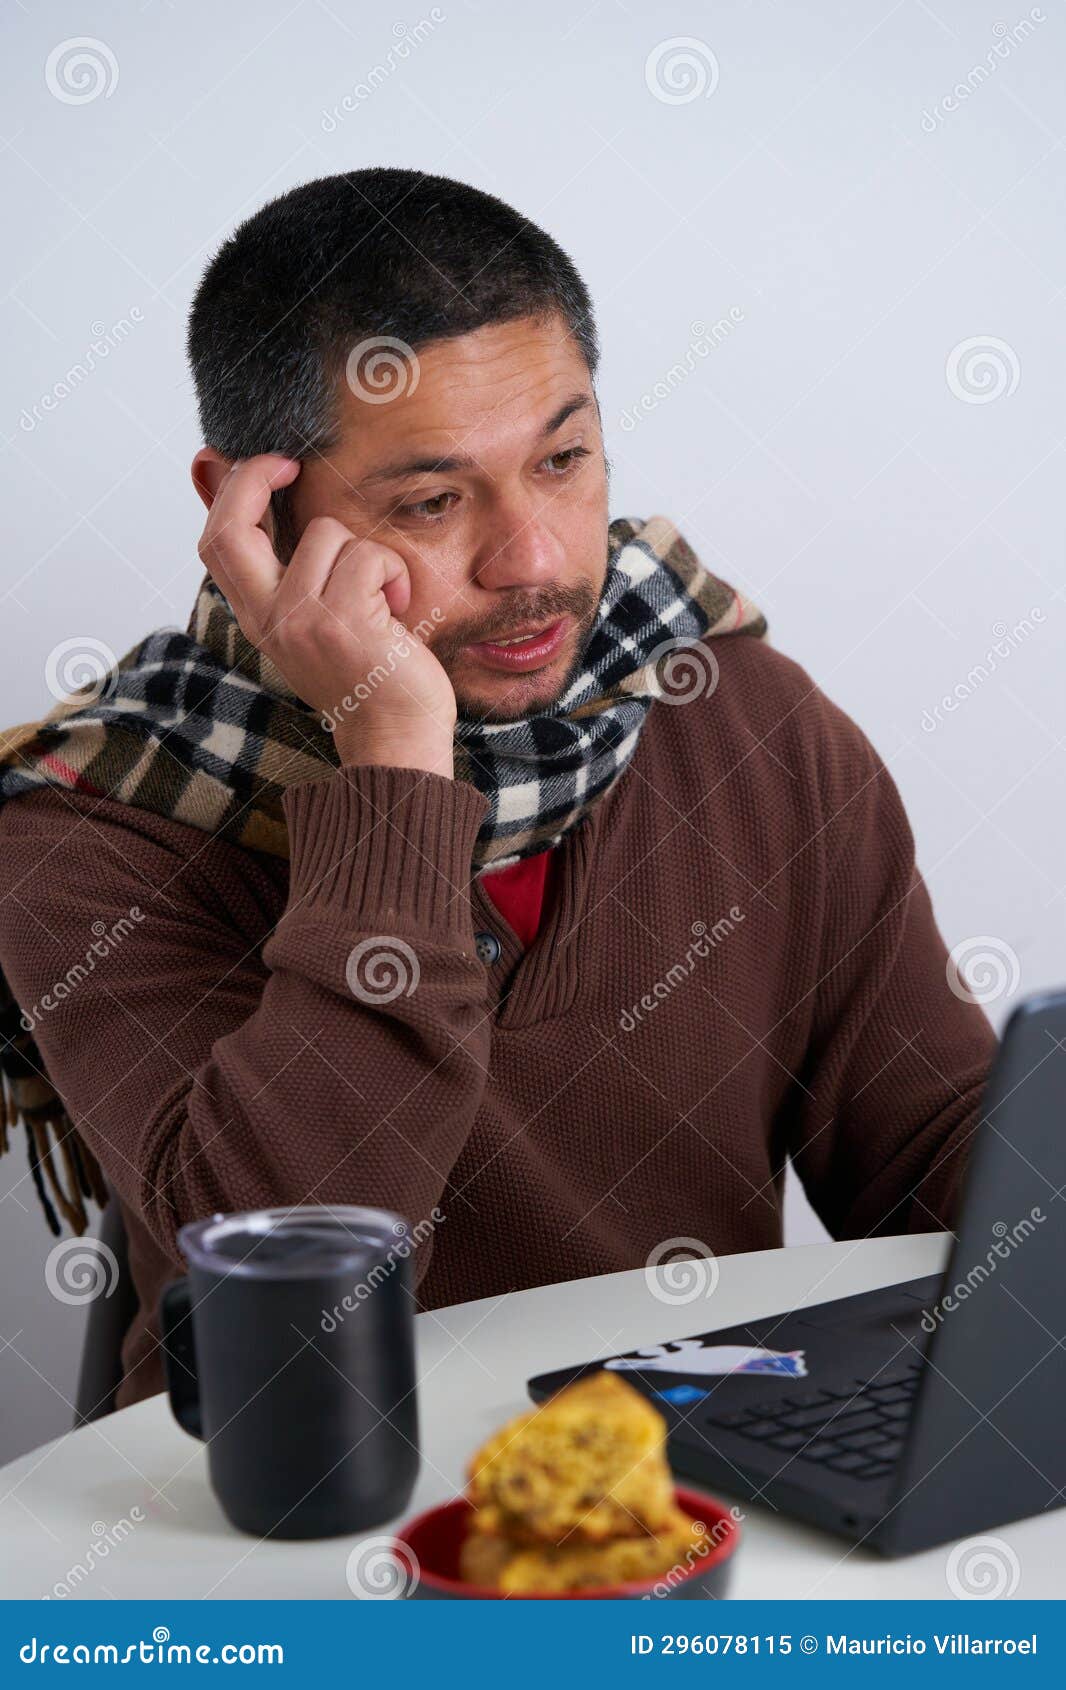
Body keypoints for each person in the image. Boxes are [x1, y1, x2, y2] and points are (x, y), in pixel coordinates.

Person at [0, 169, 995, 1409]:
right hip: (273, 1536)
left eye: (564, 459)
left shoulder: (740, 719)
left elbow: (931, 1158)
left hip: (677, 1499)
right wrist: (393, 761)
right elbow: (282, 1279)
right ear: (251, 508)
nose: (532, 560)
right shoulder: (95, 827)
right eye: (431, 499)